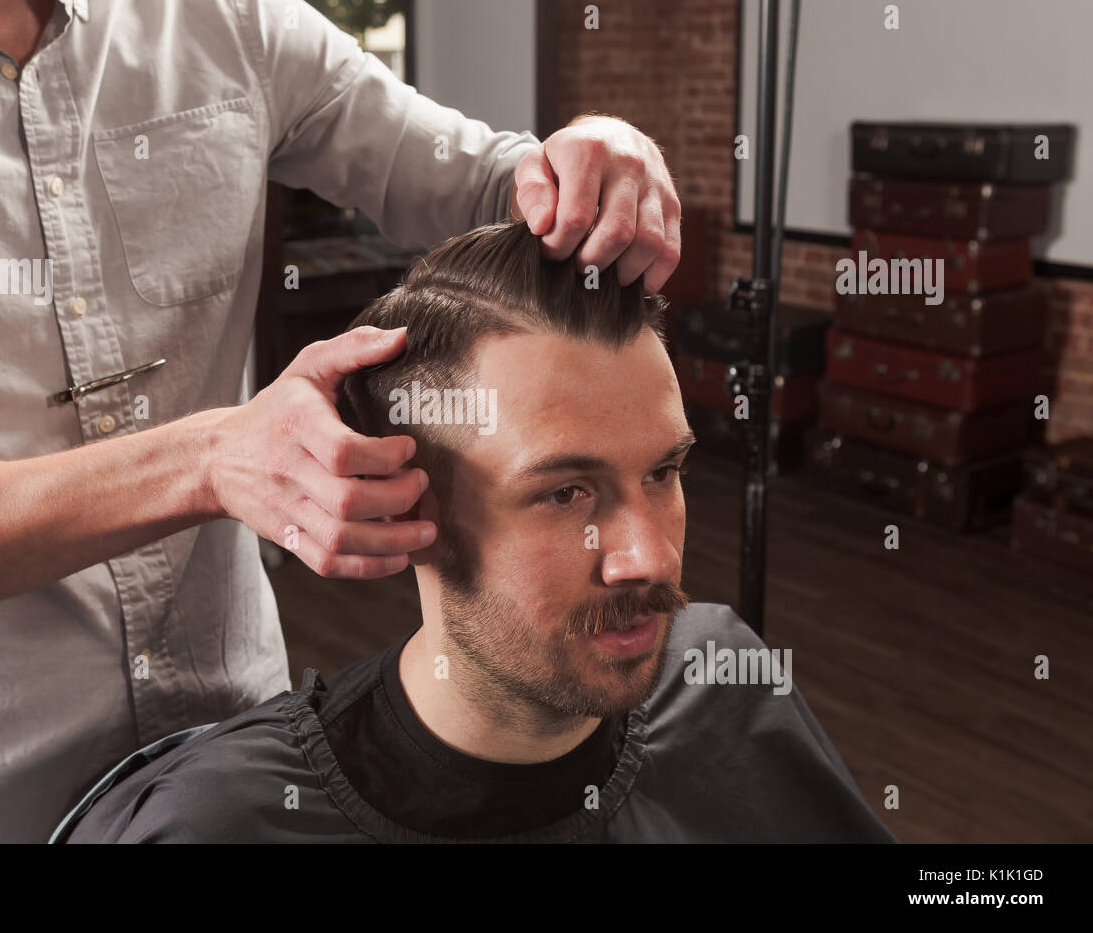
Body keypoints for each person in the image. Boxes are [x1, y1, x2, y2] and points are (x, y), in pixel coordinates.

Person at [0, 0, 682, 841]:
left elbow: (499, 182)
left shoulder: (220, 6)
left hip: (231, 752)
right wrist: (208, 462)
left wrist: (599, 150)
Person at [55, 221, 896, 843]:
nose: (648, 557)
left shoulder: (718, 674)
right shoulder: (217, 824)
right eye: (568, 493)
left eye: (663, 473)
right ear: (402, 511)